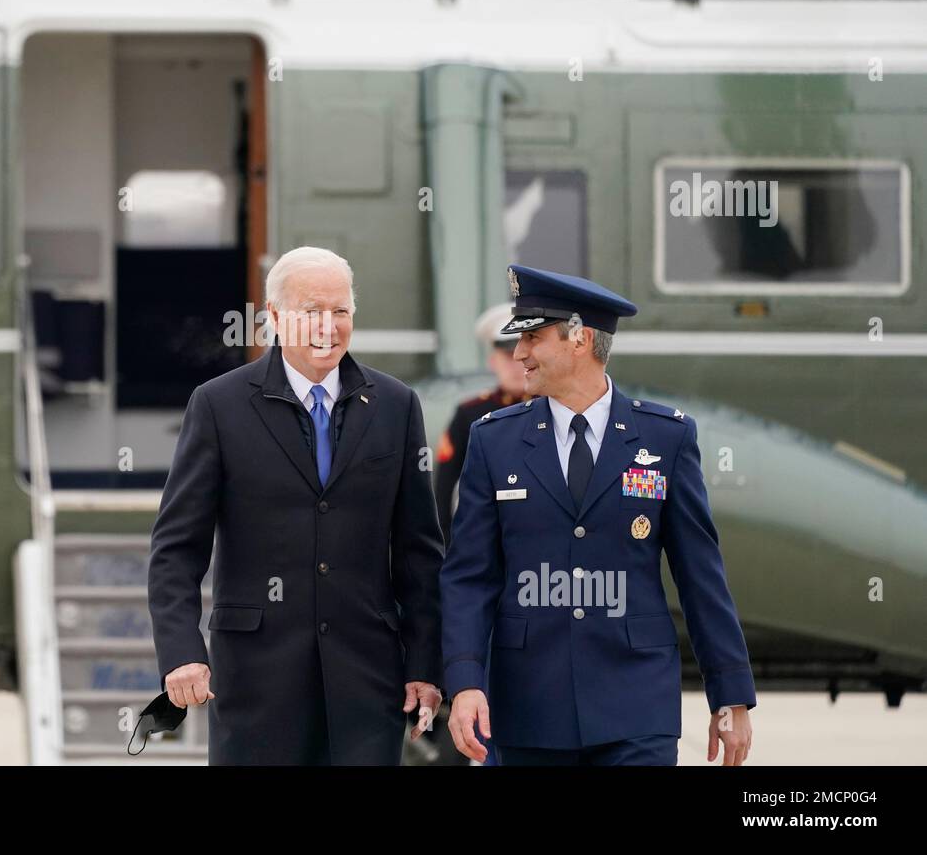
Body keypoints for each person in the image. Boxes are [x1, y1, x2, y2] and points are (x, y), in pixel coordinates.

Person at [442, 264, 756, 766]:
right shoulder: (493, 440)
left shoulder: (666, 439)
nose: (519, 353)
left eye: (532, 337)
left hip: (636, 708)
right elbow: (469, 577)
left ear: (579, 340)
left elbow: (701, 576)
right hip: (527, 710)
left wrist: (730, 693)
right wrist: (464, 682)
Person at [147, 246, 445, 764]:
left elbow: (420, 550)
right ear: (276, 318)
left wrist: (424, 662)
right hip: (255, 684)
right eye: (312, 312)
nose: (328, 326)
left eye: (341, 312)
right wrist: (181, 653)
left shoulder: (397, 406)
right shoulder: (219, 405)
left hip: (367, 682)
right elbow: (176, 548)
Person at [434, 302, 530, 545]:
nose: (516, 364)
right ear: (492, 361)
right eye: (507, 356)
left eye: (522, 354)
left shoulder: (557, 408)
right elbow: (445, 489)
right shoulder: (470, 414)